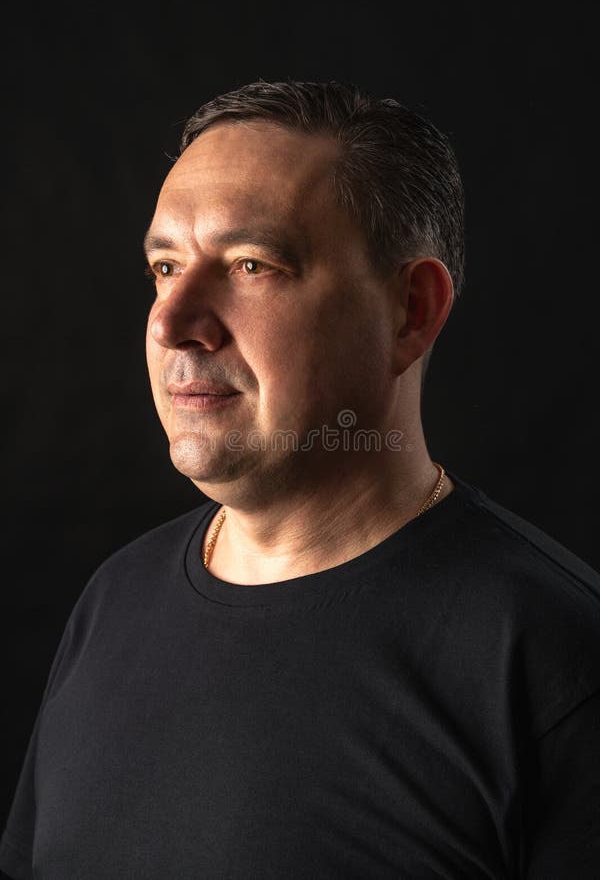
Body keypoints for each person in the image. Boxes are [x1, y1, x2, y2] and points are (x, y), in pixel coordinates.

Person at [1, 80, 599, 880]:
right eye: (165, 266)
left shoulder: (553, 664)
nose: (171, 321)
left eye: (253, 265)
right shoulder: (115, 600)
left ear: (411, 311)